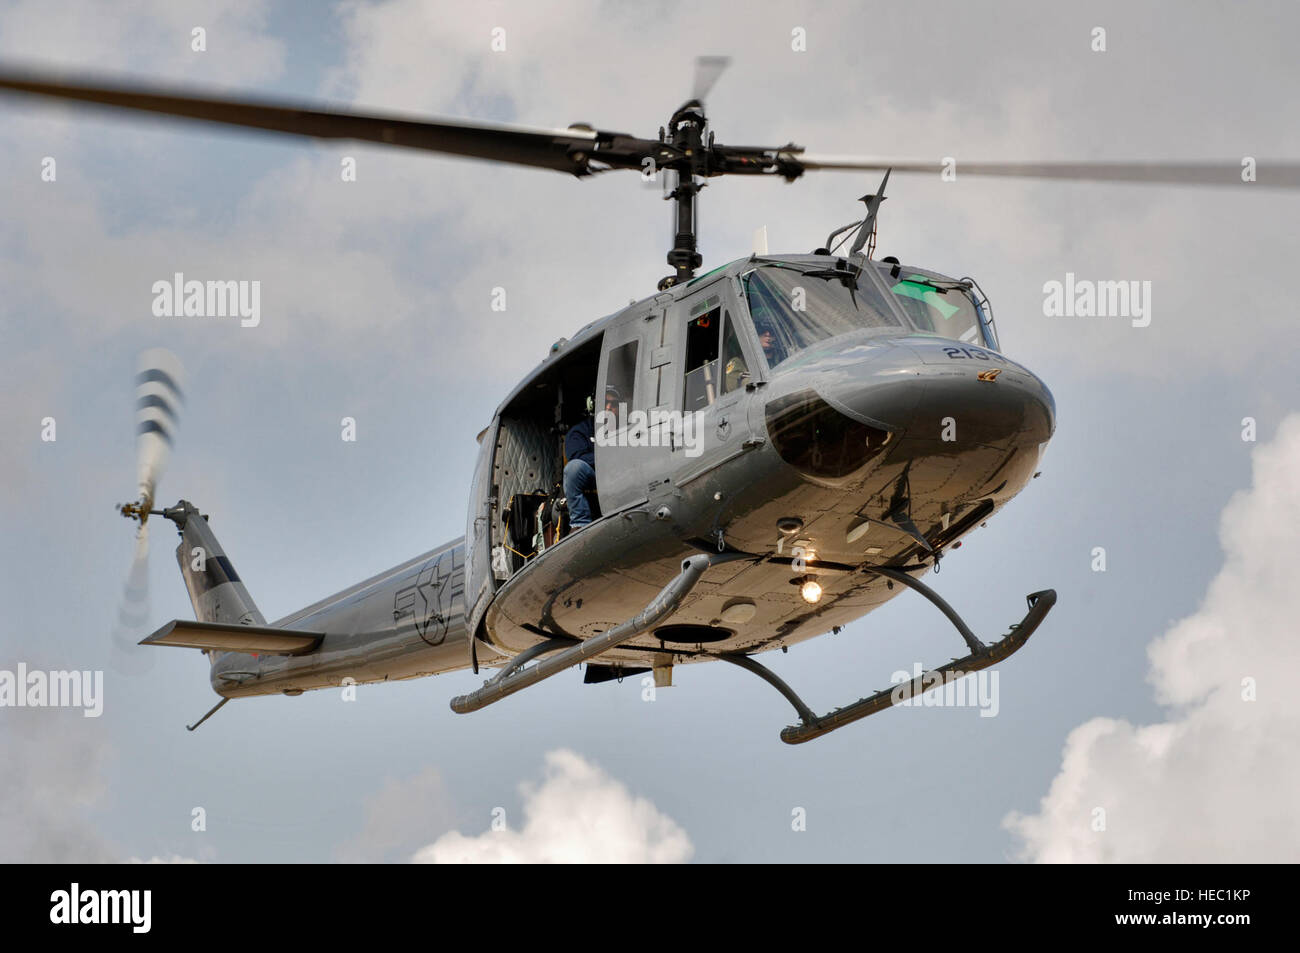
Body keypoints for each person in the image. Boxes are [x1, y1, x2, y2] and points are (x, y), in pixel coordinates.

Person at [563, 397, 598, 529]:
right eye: (607, 402)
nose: (610, 407)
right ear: (592, 406)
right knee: (574, 468)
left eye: (614, 403)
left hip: (625, 471)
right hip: (598, 475)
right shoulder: (580, 431)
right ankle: (580, 524)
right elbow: (578, 457)